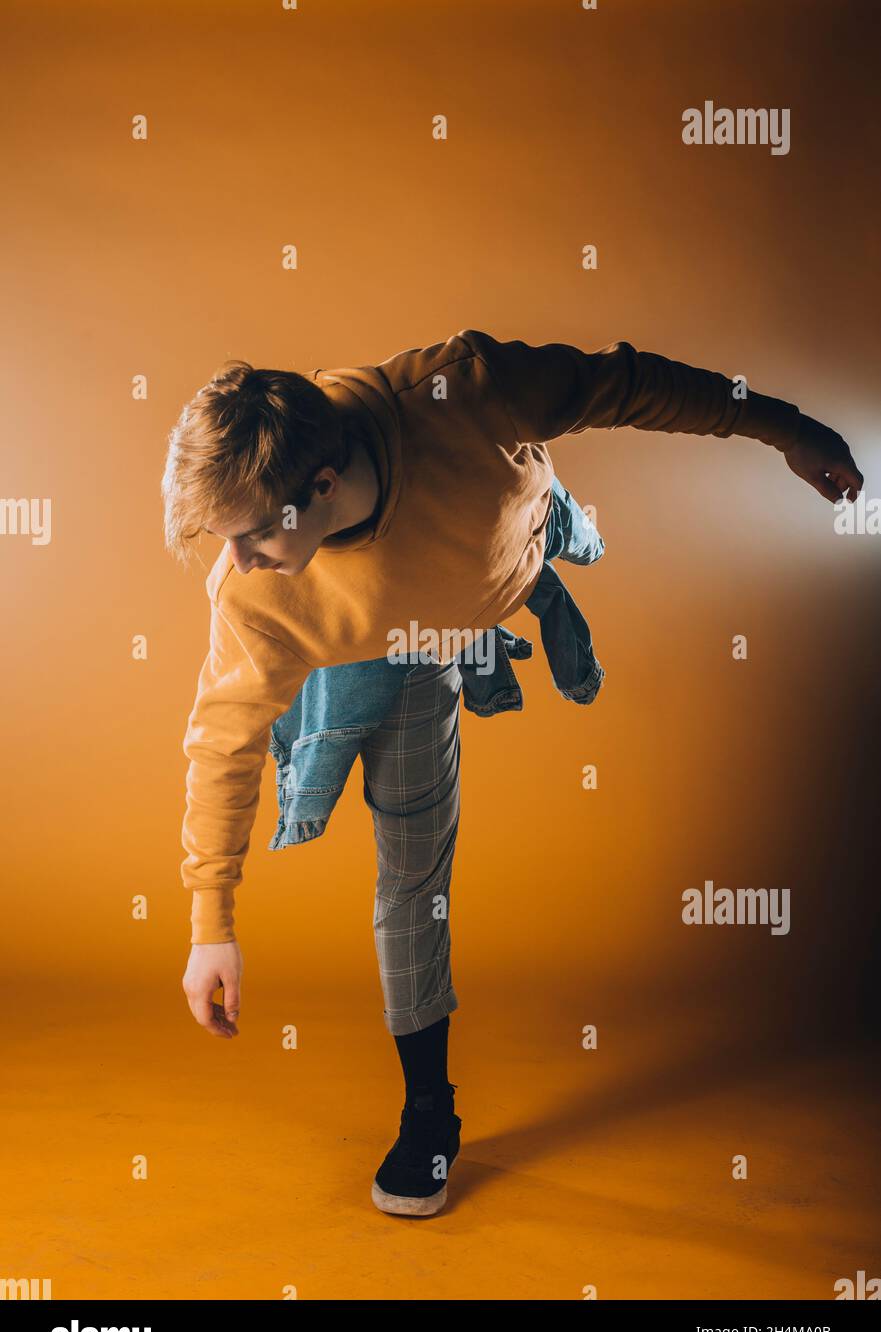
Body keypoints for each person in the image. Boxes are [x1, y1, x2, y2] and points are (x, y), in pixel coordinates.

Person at [161, 328, 862, 1218]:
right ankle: (430, 1115)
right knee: (411, 878)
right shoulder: (259, 592)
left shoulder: (468, 394)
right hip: (390, 648)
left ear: (322, 488)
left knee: (553, 535)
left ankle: (543, 557)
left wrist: (783, 426)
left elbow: (630, 383)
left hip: (495, 550)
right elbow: (219, 744)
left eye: (253, 535)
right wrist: (208, 921)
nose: (236, 560)